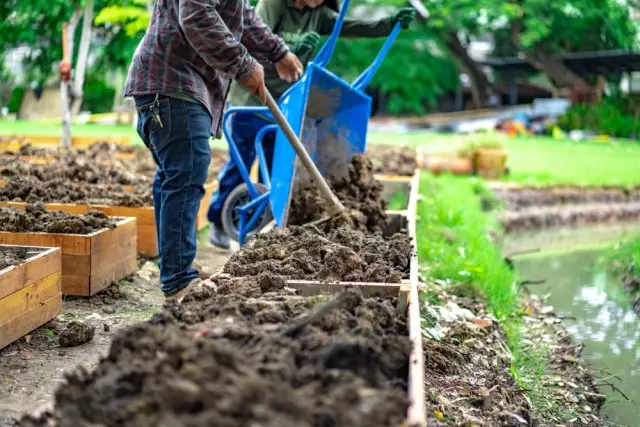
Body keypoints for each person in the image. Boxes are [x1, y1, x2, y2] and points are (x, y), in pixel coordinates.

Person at [124, 0, 303, 300]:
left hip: (170, 84)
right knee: (186, 175)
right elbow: (196, 15)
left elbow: (239, 14)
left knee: (175, 178)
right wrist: (244, 65)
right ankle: (179, 280)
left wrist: (277, 52)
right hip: (173, 82)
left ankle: (177, 270)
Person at [207, 0, 416, 249]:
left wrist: (389, 23)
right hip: (250, 98)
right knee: (240, 160)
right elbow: (251, 40)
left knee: (275, 169)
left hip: (286, 104)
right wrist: (288, 49)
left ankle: (265, 226)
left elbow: (351, 26)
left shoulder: (319, 14)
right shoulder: (274, 5)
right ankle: (218, 222)